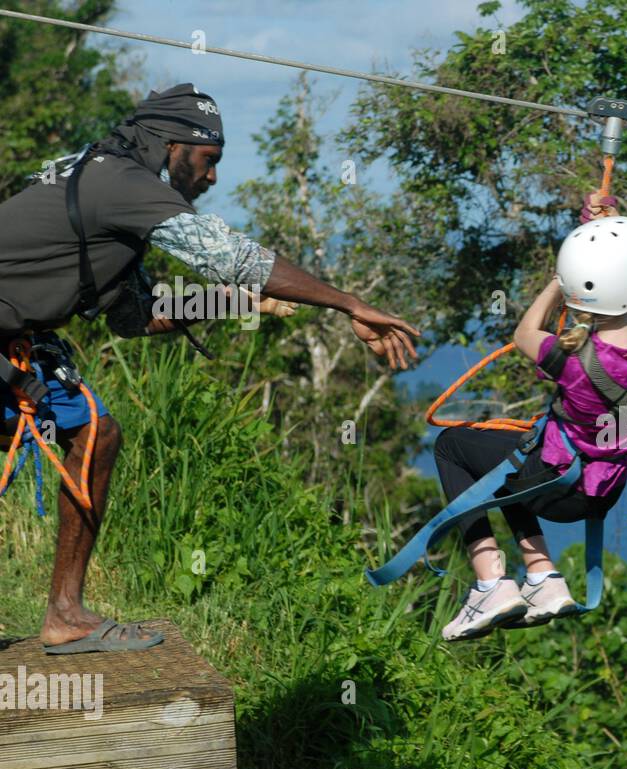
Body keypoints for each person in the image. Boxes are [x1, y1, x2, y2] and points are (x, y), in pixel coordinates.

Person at [0, 83, 420, 654]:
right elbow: (239, 258)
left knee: (95, 435)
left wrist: (236, 301)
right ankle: (65, 614)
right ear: (173, 146)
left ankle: (65, 615)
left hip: (16, 343)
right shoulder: (124, 183)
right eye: (209, 160)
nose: (212, 177)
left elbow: (135, 317)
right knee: (93, 433)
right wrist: (349, 302)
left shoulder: (114, 181)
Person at [433, 193, 627, 640]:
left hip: (555, 487)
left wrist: (561, 279)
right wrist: (610, 233)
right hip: (601, 492)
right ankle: (543, 578)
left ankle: (489, 581)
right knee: (512, 463)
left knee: (453, 447)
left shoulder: (571, 356)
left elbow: (525, 331)